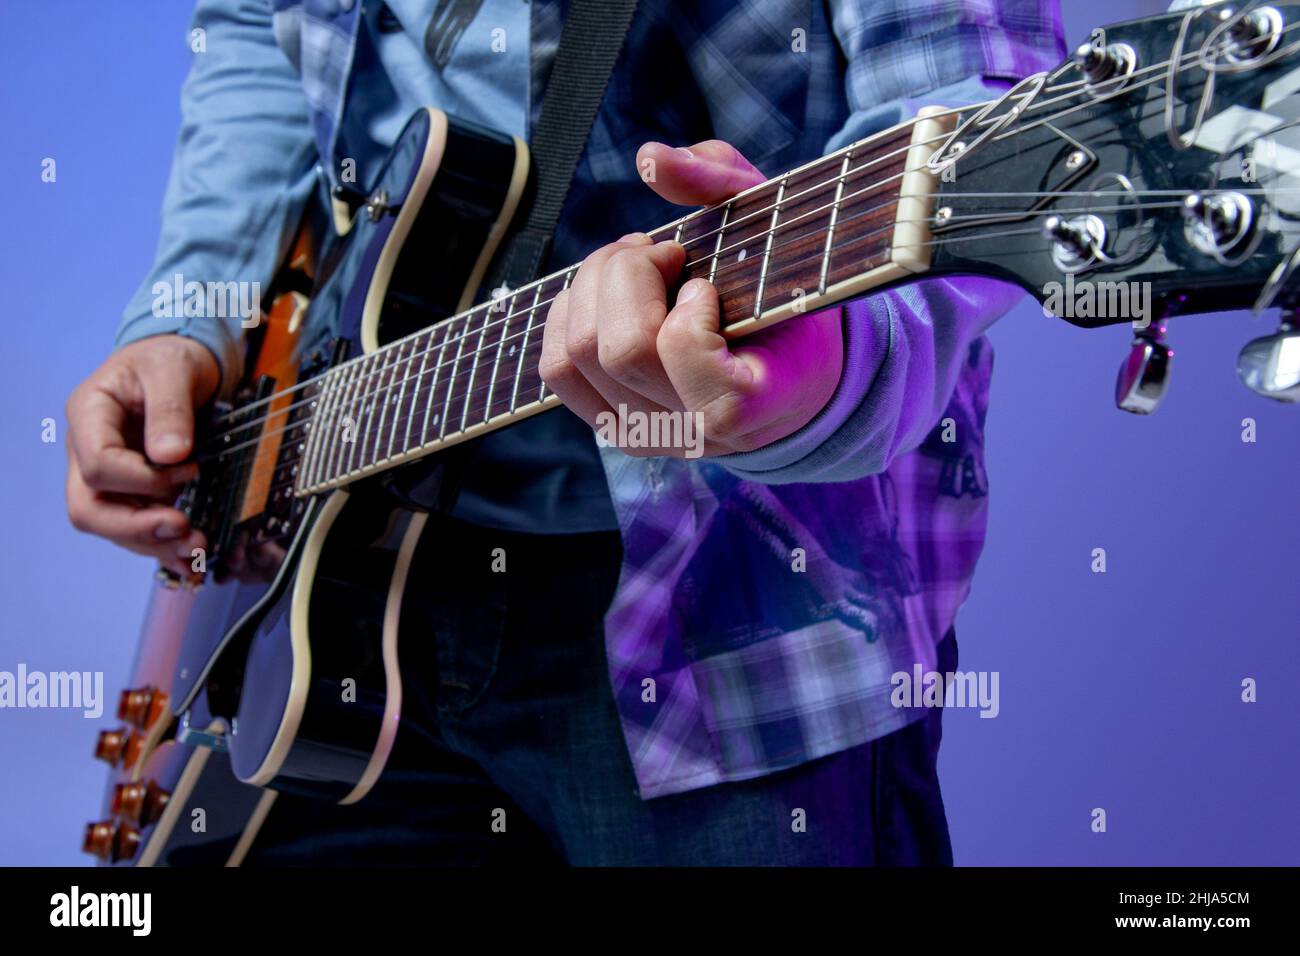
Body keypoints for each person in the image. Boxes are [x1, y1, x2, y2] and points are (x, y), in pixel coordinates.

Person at [65, 0, 1065, 865]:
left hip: (740, 610)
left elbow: (964, 118)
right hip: (331, 568)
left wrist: (830, 368)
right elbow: (257, 29)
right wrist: (192, 307)